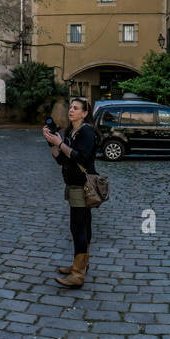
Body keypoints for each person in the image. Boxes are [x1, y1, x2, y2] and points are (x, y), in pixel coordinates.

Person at [41, 97, 100, 288]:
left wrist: (60, 144)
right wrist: (51, 142)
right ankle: (81, 263)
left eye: (76, 108)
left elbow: (80, 157)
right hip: (73, 184)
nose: (71, 110)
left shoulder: (87, 133)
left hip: (82, 186)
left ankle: (77, 274)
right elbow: (62, 160)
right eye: (70, 107)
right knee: (83, 226)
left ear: (84, 113)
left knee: (78, 227)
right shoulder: (71, 132)